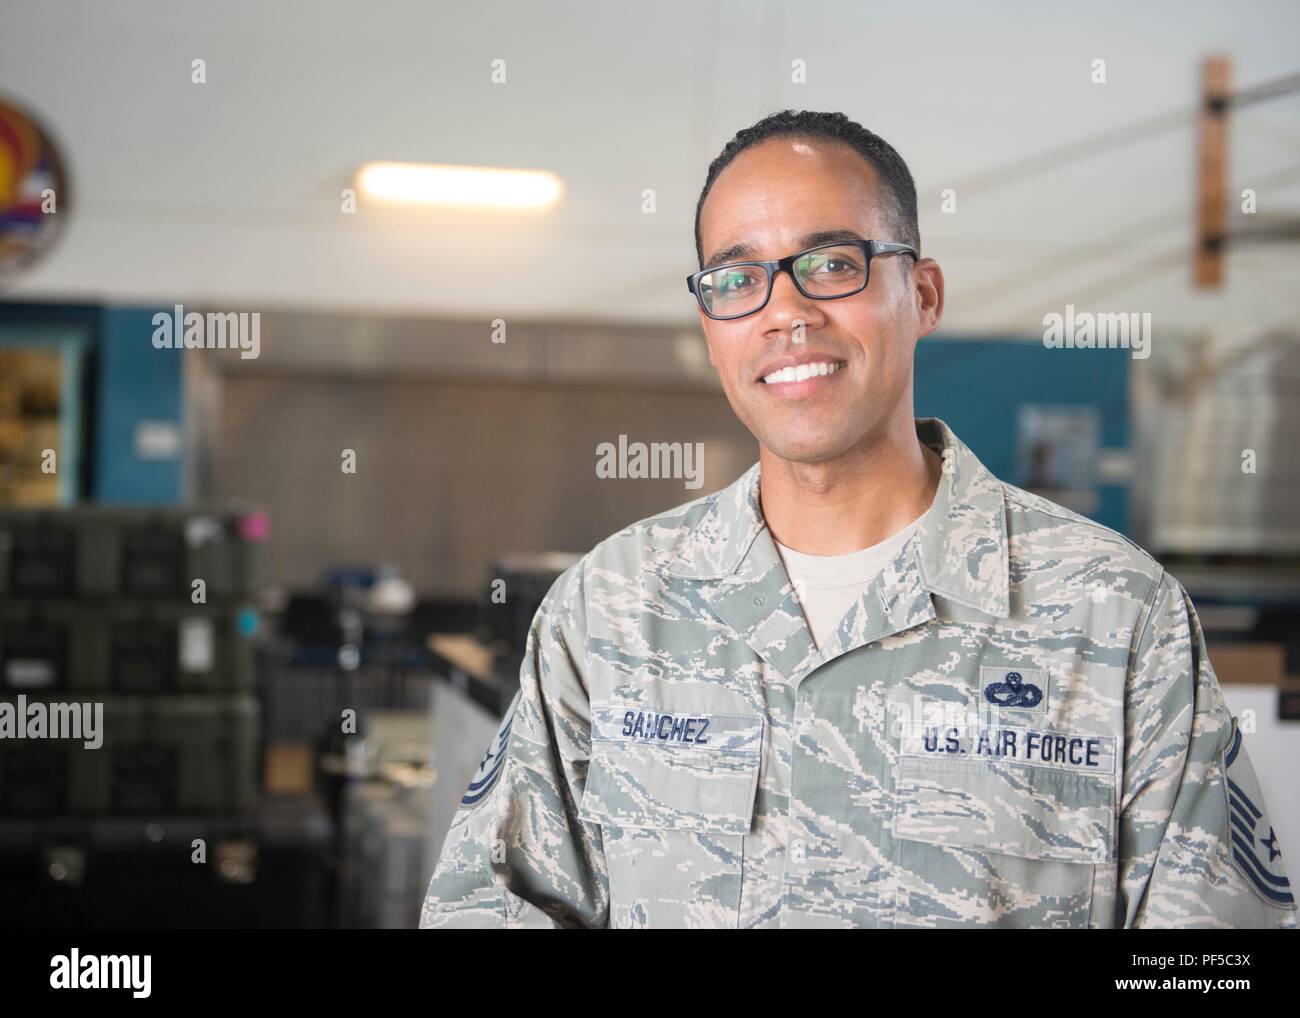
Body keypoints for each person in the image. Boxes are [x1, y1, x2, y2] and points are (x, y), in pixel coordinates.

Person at [419, 109, 1295, 928]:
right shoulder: (608, 610)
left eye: (832, 264)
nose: (786, 313)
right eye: (737, 279)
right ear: (710, 323)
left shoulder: (1116, 615)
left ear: (923, 295)